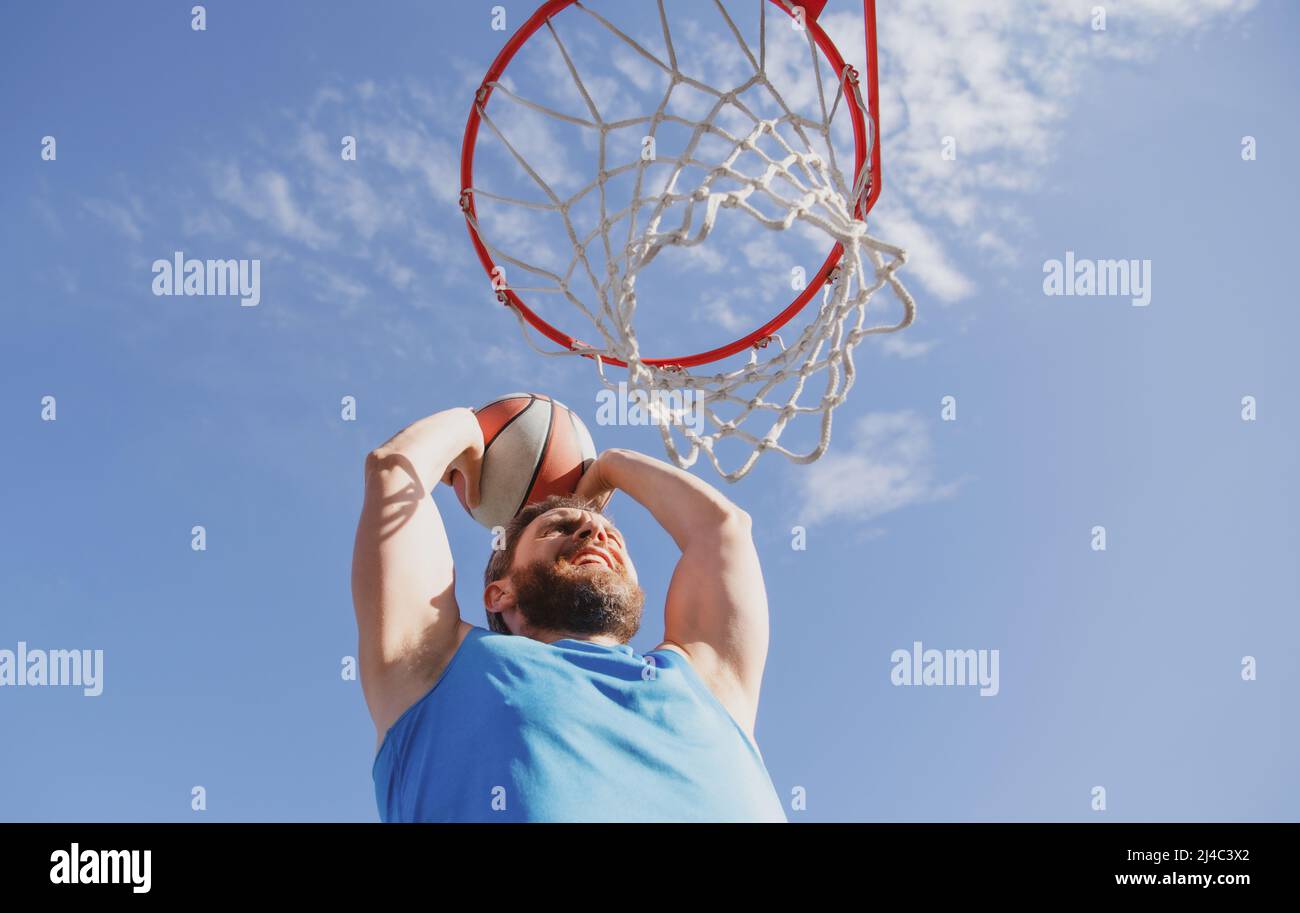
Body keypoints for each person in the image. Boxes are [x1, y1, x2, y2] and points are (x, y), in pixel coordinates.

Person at [351, 406, 786, 822]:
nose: (596, 530)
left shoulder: (705, 681)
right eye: (557, 528)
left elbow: (723, 528)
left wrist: (609, 466)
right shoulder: (435, 665)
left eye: (611, 533)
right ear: (499, 593)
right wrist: (474, 428)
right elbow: (394, 469)